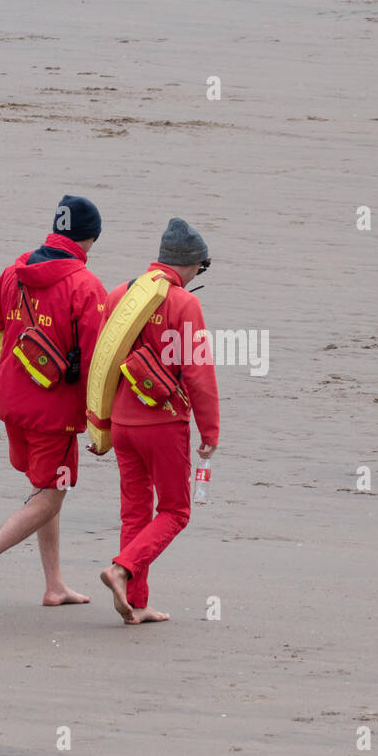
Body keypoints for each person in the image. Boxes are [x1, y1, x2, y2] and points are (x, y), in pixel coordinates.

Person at [0, 195, 107, 610]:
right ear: (90, 238)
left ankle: (54, 584)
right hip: (54, 414)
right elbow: (97, 362)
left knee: (44, 487)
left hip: (10, 405)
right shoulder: (86, 286)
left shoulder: (15, 272)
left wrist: (16, 363)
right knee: (52, 495)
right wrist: (102, 423)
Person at [98, 218, 220, 624]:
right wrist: (211, 430)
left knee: (135, 514)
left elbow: (101, 361)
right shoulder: (184, 303)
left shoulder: (120, 294)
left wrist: (99, 421)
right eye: (200, 268)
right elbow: (199, 373)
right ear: (189, 265)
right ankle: (121, 569)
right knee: (175, 511)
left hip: (122, 424)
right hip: (162, 424)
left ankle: (135, 603)